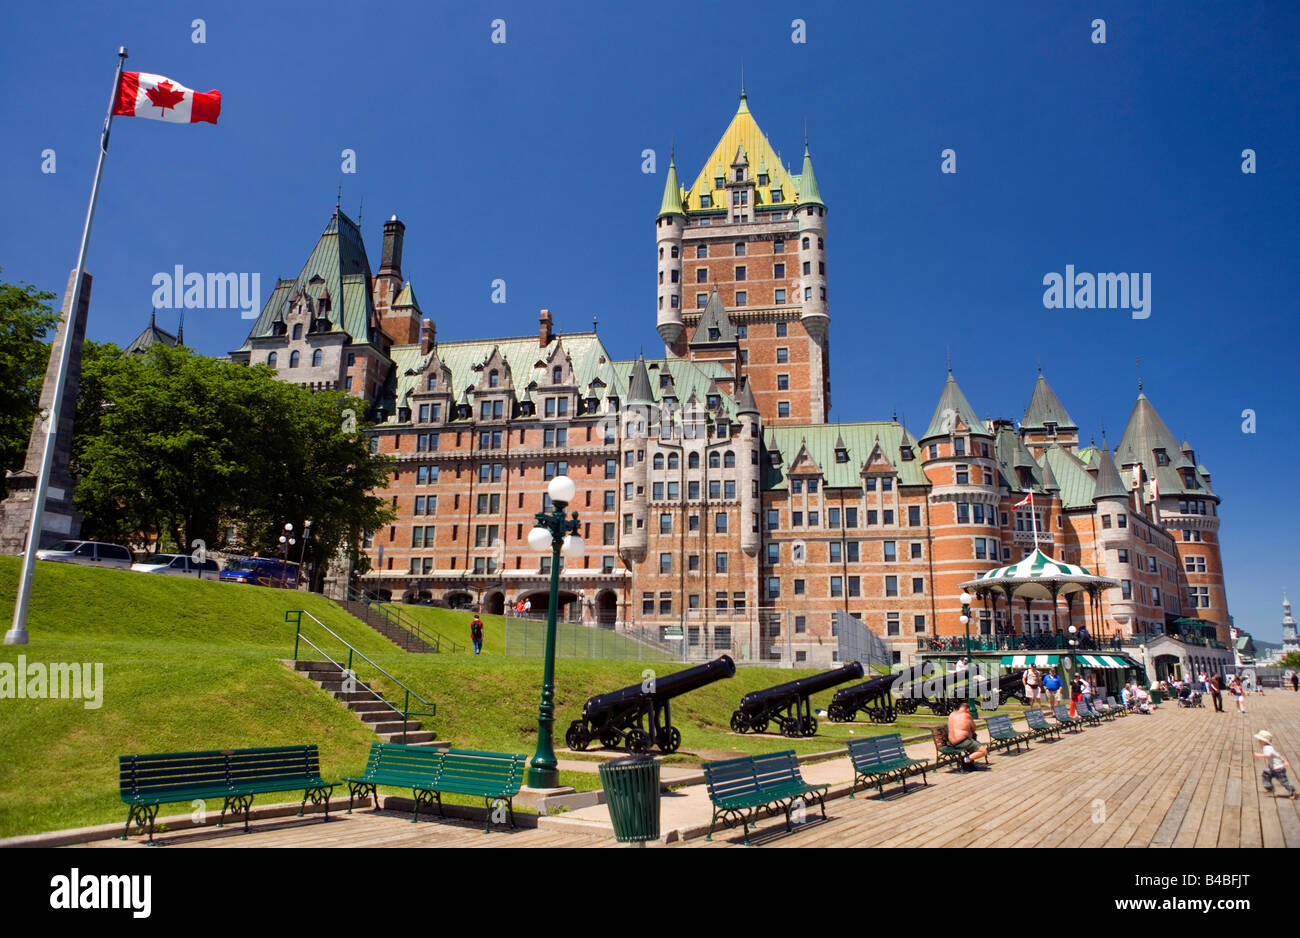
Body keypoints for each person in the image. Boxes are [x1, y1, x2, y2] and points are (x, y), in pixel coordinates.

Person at [1254, 731, 1296, 799]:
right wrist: (1284, 761)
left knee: (1283, 781)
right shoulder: (1268, 747)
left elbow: (1267, 755)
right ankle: (1269, 787)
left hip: (1278, 769)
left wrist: (1258, 755)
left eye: (1260, 740)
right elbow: (1278, 755)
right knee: (1266, 774)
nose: (1259, 741)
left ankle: (1292, 790)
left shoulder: (1267, 748)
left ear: (1264, 741)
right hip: (1273, 768)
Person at [946, 702, 988, 768]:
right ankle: (966, 760)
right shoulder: (966, 715)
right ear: (967, 709)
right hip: (962, 742)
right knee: (983, 751)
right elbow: (974, 728)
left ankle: (970, 763)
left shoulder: (952, 714)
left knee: (972, 741)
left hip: (951, 742)